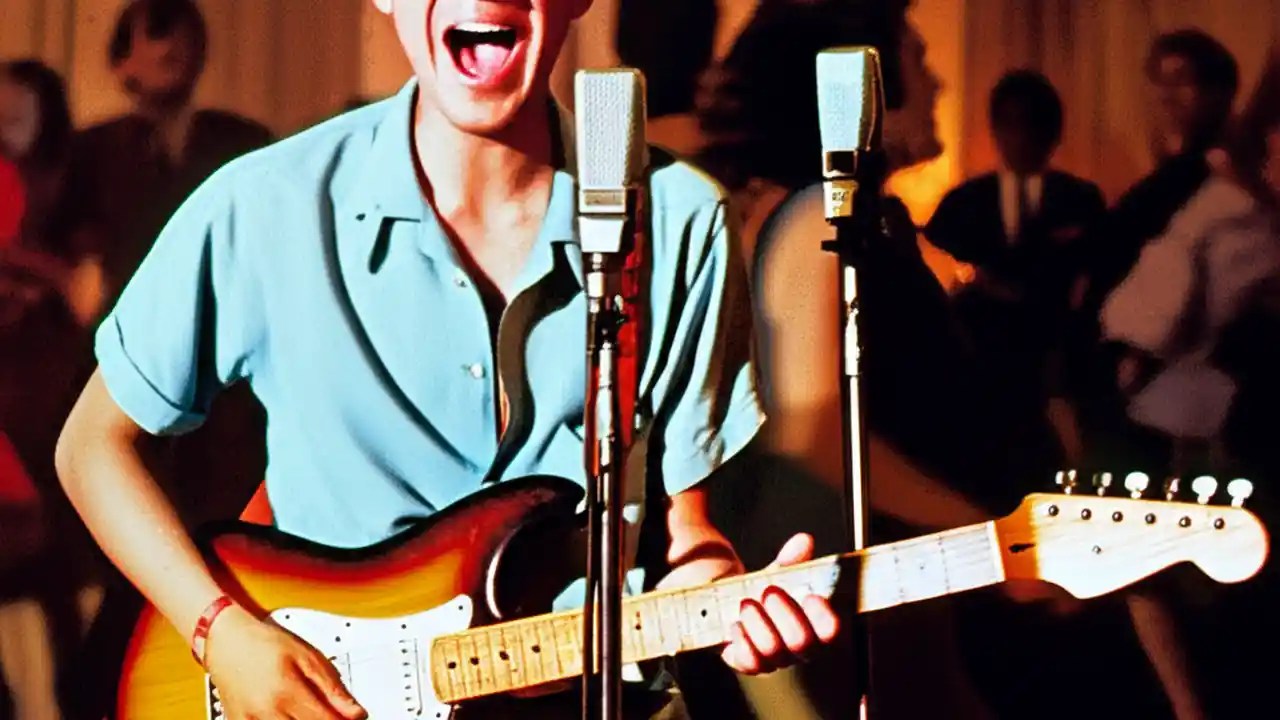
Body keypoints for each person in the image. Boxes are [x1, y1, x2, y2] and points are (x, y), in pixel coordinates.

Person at [55, 2, 840, 719]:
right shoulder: (266, 205)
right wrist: (220, 632)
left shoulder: (675, 220)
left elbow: (686, 535)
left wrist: (727, 603)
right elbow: (92, 447)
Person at [925, 70, 1106, 478]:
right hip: (979, 356)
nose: (1022, 138)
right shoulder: (962, 202)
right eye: (1010, 125)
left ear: (1054, 132)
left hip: (1055, 356)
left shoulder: (1080, 199)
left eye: (1034, 125)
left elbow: (1099, 275)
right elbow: (935, 273)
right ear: (995, 129)